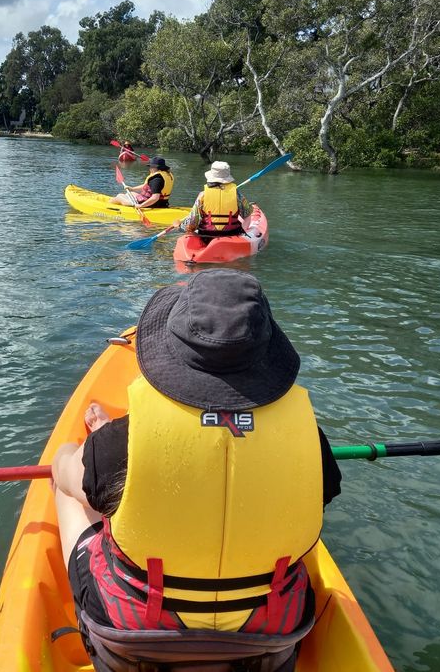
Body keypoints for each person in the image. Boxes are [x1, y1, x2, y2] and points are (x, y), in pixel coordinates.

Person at [52, 269, 342, 671]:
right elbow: (318, 492)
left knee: (66, 485)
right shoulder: (311, 435)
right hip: (268, 643)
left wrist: (95, 443)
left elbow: (68, 470)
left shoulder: (123, 442)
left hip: (136, 644)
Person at [181, 160, 253, 240]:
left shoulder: (202, 195)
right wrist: (242, 234)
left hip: (206, 236)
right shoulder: (237, 194)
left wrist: (181, 226)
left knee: (182, 228)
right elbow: (248, 215)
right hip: (232, 234)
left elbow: (193, 222)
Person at [108, 156, 174, 209]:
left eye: (150, 167)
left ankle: (107, 206)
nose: (149, 169)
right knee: (131, 193)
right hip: (163, 203)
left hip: (152, 204)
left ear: (155, 168)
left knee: (120, 196)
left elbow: (155, 198)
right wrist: (132, 188)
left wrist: (141, 206)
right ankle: (114, 203)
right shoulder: (165, 175)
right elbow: (146, 186)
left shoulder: (157, 179)